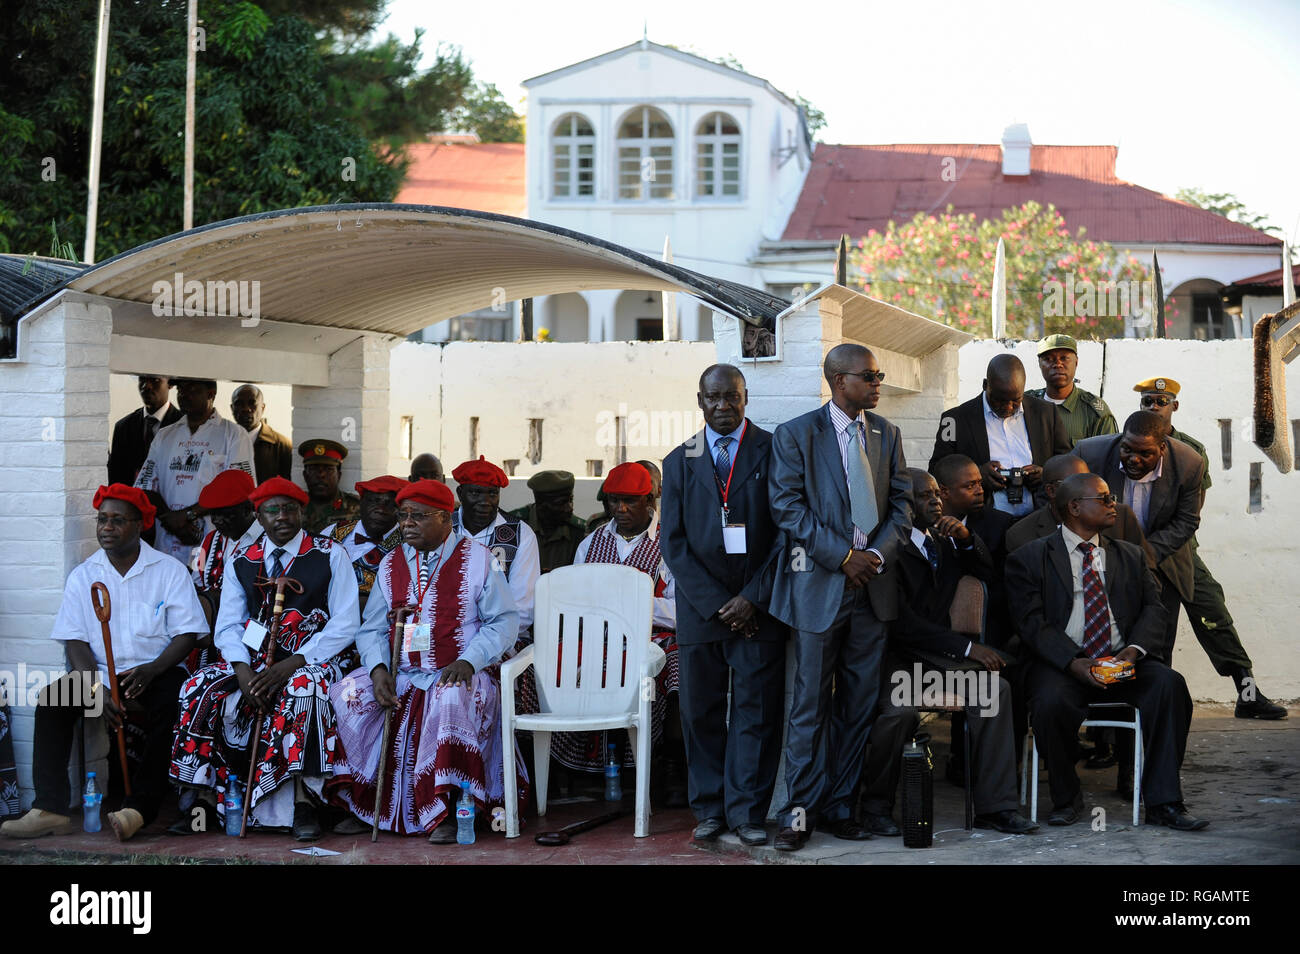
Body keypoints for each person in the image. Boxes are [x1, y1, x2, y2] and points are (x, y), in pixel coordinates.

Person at [766, 343, 912, 851]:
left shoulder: (886, 434)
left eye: (879, 375)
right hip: (819, 588)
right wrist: (839, 556)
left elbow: (902, 505)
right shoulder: (796, 434)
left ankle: (841, 806)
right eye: (868, 376)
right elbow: (785, 506)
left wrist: (872, 557)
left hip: (873, 589)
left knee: (859, 705)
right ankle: (798, 813)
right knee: (808, 705)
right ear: (837, 380)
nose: (877, 384)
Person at [1, 485, 205, 842]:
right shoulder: (84, 575)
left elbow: (187, 635)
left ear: (140, 525)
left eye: (117, 521)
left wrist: (153, 669)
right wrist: (96, 687)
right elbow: (75, 639)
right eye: (102, 520)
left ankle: (139, 808)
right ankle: (50, 807)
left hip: (154, 671)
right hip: (98, 675)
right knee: (53, 700)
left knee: (172, 703)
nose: (106, 528)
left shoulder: (169, 570)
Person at [1006, 473, 1207, 831]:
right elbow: (1031, 623)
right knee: (1049, 702)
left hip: (1121, 661)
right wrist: (1074, 662)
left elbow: (1154, 608)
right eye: (1103, 498)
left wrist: (1131, 652)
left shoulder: (1129, 555)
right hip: (1063, 665)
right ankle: (1067, 797)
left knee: (1169, 686)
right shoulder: (1030, 558)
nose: (1113, 503)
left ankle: (1164, 802)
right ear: (1074, 507)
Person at [327, 479, 525, 841]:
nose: (406, 524)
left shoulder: (480, 558)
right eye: (403, 517)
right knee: (346, 694)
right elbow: (370, 629)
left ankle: (449, 811)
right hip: (401, 673)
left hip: (461, 672)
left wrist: (469, 661)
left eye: (417, 517)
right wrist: (377, 669)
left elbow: (504, 622)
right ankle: (366, 804)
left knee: (450, 699)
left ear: (446, 519)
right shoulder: (390, 564)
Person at [170, 477, 359, 841]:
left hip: (313, 660)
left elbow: (346, 623)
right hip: (253, 663)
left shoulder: (330, 553)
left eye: (290, 508)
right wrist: (242, 671)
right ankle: (205, 798)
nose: (282, 516)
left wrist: (292, 664)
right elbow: (227, 626)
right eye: (272, 510)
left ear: (302, 511)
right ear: (259, 515)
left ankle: (304, 802)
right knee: (199, 686)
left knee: (305, 689)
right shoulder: (244, 558)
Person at [859, 470, 1036, 836]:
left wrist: (968, 539)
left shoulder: (941, 542)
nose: (936, 502)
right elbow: (902, 625)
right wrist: (968, 647)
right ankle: (875, 808)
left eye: (938, 493)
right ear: (901, 505)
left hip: (936, 659)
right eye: (925, 496)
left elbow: (985, 572)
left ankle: (996, 808)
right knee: (900, 714)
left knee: (996, 691)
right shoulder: (885, 550)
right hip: (895, 660)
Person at [660, 364, 786, 847]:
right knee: (701, 713)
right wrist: (719, 604)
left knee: (757, 713)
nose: (722, 406)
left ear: (745, 396)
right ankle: (710, 810)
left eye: (731, 396)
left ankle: (749, 812)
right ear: (699, 400)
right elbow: (674, 544)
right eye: (713, 398)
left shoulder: (775, 450)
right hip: (702, 611)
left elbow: (786, 531)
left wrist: (751, 597)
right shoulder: (679, 460)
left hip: (761, 608)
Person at [1131, 377, 1286, 719]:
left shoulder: (1191, 450)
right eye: (1147, 402)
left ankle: (1247, 693)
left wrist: (1159, 548)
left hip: (1180, 551)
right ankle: (1140, 716)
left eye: (1161, 401)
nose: (1154, 407)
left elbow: (1192, 513)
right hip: (1134, 554)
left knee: (1214, 615)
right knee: (1150, 632)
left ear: (1175, 406)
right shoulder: (1130, 444)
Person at [552, 463, 681, 792]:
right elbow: (573, 602)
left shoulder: (669, 542)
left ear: (649, 501)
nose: (620, 509)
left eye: (630, 501)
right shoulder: (591, 543)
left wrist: (633, 605)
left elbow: (680, 610)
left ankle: (668, 767)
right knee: (549, 665)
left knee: (679, 666)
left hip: (650, 637)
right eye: (613, 501)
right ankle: (575, 771)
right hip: (597, 636)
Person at [1073, 411, 1203, 659]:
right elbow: (1062, 498)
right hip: (1101, 559)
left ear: (1162, 448)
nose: (1133, 459)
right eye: (1127, 449)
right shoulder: (1088, 454)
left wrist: (1140, 555)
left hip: (1163, 560)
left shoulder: (1189, 463)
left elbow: (1187, 521)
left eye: (1145, 454)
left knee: (1156, 647)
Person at [928, 354, 1072, 518]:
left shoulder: (1047, 413)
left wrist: (1046, 474)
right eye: (999, 400)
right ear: (985, 385)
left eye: (1016, 400)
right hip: (983, 522)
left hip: (1039, 520)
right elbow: (937, 470)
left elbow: (1066, 461)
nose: (1008, 407)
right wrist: (978, 475)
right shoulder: (954, 419)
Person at [133, 377, 254, 565]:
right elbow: (144, 486)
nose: (183, 395)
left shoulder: (233, 434)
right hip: (167, 542)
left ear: (211, 394)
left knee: (205, 591)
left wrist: (187, 515)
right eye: (181, 390)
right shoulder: (165, 435)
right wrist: (172, 521)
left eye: (192, 389)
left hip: (212, 543)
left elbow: (239, 490)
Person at [451, 457, 540, 641]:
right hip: (446, 635)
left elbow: (522, 609)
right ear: (460, 493)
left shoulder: (520, 533)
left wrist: (482, 641)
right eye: (475, 493)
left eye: (492, 494)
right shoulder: (443, 529)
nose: (485, 501)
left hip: (503, 639)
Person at [1006, 455, 1150, 559]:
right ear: (1051, 490)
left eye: (1088, 479)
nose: (1088, 487)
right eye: (1075, 482)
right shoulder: (1021, 536)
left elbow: (1147, 571)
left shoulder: (1119, 517)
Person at [188, 469, 260, 671]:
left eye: (225, 515)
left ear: (248, 508)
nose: (217, 521)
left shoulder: (268, 540)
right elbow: (197, 580)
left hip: (255, 634)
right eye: (214, 514)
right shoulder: (209, 540)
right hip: (212, 635)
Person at [320, 475, 406, 616]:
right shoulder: (332, 532)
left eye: (391, 504)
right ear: (361, 502)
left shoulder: (408, 545)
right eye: (374, 501)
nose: (381, 509)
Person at [1026, 334, 1117, 445]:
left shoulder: (1094, 413)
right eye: (1048, 359)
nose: (1057, 364)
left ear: (1076, 362)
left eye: (1064, 358)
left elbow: (1107, 458)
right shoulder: (1025, 405)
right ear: (1039, 364)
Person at [509, 470, 589, 574]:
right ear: (541, 504)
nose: (569, 508)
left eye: (570, 500)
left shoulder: (578, 532)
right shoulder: (514, 526)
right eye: (561, 503)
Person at [107, 374, 181, 486]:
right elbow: (116, 481)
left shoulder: (184, 426)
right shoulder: (122, 427)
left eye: (155, 380)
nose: (146, 386)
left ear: (170, 384)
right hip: (130, 501)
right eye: (142, 379)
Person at [232, 384, 292, 484]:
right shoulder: (223, 440)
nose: (246, 409)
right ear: (232, 408)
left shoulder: (282, 445)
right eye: (239, 403)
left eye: (252, 403)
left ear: (262, 408)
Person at [299, 439, 361, 534]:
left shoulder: (358, 508)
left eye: (329, 469)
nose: (321, 475)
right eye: (314, 469)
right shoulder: (293, 507)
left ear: (339, 475)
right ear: (305, 475)